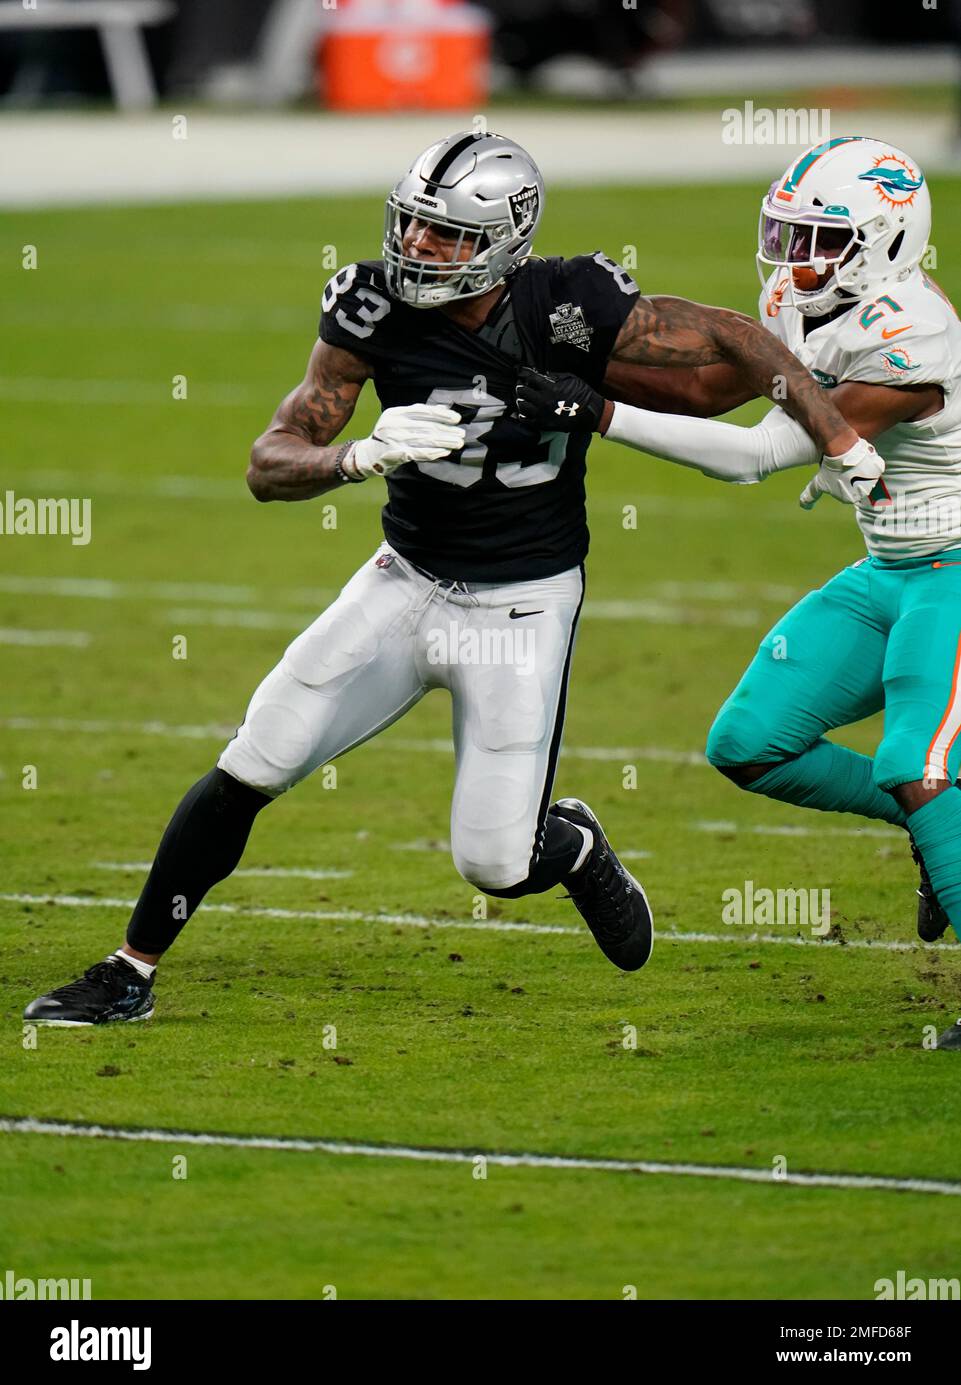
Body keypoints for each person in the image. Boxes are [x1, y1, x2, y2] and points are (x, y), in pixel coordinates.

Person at [24, 131, 866, 1025]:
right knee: (256, 758)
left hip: (522, 604)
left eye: (446, 233)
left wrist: (838, 436)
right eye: (411, 224)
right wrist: (354, 457)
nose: (417, 246)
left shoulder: (569, 300)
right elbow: (269, 464)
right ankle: (129, 971)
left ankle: (573, 845)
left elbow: (733, 338)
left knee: (494, 864)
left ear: (505, 238)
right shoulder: (369, 305)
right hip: (404, 580)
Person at [515, 136, 961, 1045]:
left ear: (886, 240)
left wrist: (596, 413)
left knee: (912, 766)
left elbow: (759, 452)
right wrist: (577, 359)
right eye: (786, 235)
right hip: (889, 569)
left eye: (819, 240)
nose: (793, 261)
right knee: (750, 744)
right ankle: (939, 828)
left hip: (953, 567)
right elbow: (713, 389)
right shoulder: (809, 300)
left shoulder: (909, 332)